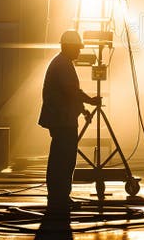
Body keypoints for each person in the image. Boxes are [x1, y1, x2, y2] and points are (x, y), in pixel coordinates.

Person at [38, 30, 101, 216]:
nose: (79, 52)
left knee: (62, 159)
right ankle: (59, 198)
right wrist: (90, 101)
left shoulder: (63, 63)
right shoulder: (63, 65)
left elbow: (70, 93)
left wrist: (82, 110)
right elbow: (71, 91)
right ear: (68, 46)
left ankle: (59, 197)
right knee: (63, 160)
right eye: (77, 48)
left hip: (63, 119)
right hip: (62, 120)